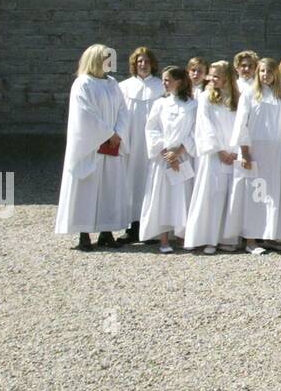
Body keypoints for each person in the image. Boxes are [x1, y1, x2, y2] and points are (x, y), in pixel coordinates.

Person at [55, 44, 130, 250]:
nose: (109, 62)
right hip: (91, 147)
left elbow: (123, 111)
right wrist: (108, 133)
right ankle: (84, 234)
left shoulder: (113, 83)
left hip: (112, 146)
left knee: (109, 188)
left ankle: (107, 231)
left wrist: (118, 133)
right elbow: (85, 115)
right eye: (105, 58)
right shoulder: (83, 83)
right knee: (87, 189)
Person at [223, 57, 281, 255]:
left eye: (269, 71)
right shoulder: (250, 94)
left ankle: (268, 235)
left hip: (275, 154)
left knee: (273, 194)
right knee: (255, 194)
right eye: (262, 71)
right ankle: (250, 239)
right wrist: (244, 152)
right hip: (255, 152)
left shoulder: (280, 96)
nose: (265, 75)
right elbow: (241, 124)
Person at [184, 60, 240, 254]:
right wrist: (219, 149)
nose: (212, 79)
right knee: (212, 194)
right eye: (211, 75)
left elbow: (242, 123)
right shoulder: (207, 97)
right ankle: (209, 238)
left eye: (216, 76)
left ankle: (227, 237)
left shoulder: (236, 97)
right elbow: (205, 125)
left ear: (227, 77)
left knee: (230, 194)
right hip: (214, 154)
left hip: (233, 153)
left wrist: (235, 149)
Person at [141, 66, 197, 254]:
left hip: (183, 156)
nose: (164, 83)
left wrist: (179, 152)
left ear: (179, 82)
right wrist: (166, 152)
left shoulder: (192, 105)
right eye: (163, 80)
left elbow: (195, 132)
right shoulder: (160, 104)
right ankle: (164, 237)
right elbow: (152, 129)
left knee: (183, 195)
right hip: (163, 157)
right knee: (162, 196)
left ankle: (182, 234)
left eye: (167, 80)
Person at [117, 46, 163, 244]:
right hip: (131, 141)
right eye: (139, 62)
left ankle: (152, 228)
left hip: (153, 143)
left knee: (151, 181)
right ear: (134, 65)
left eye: (146, 61)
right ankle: (132, 226)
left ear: (153, 64)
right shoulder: (124, 87)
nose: (143, 65)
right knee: (131, 181)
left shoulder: (161, 86)